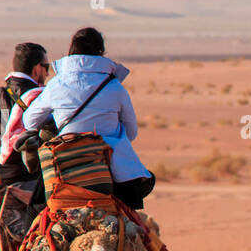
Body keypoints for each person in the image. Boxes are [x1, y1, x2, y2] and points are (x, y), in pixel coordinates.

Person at [21, 26, 154, 210]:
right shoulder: (115, 87)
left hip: (64, 165)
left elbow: (29, 121)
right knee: (135, 225)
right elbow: (131, 132)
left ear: (71, 51)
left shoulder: (56, 85)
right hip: (112, 169)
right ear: (101, 53)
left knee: (34, 213)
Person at [0, 42, 50, 189]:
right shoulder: (37, 98)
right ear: (36, 69)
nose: (47, 73)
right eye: (46, 68)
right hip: (20, 181)